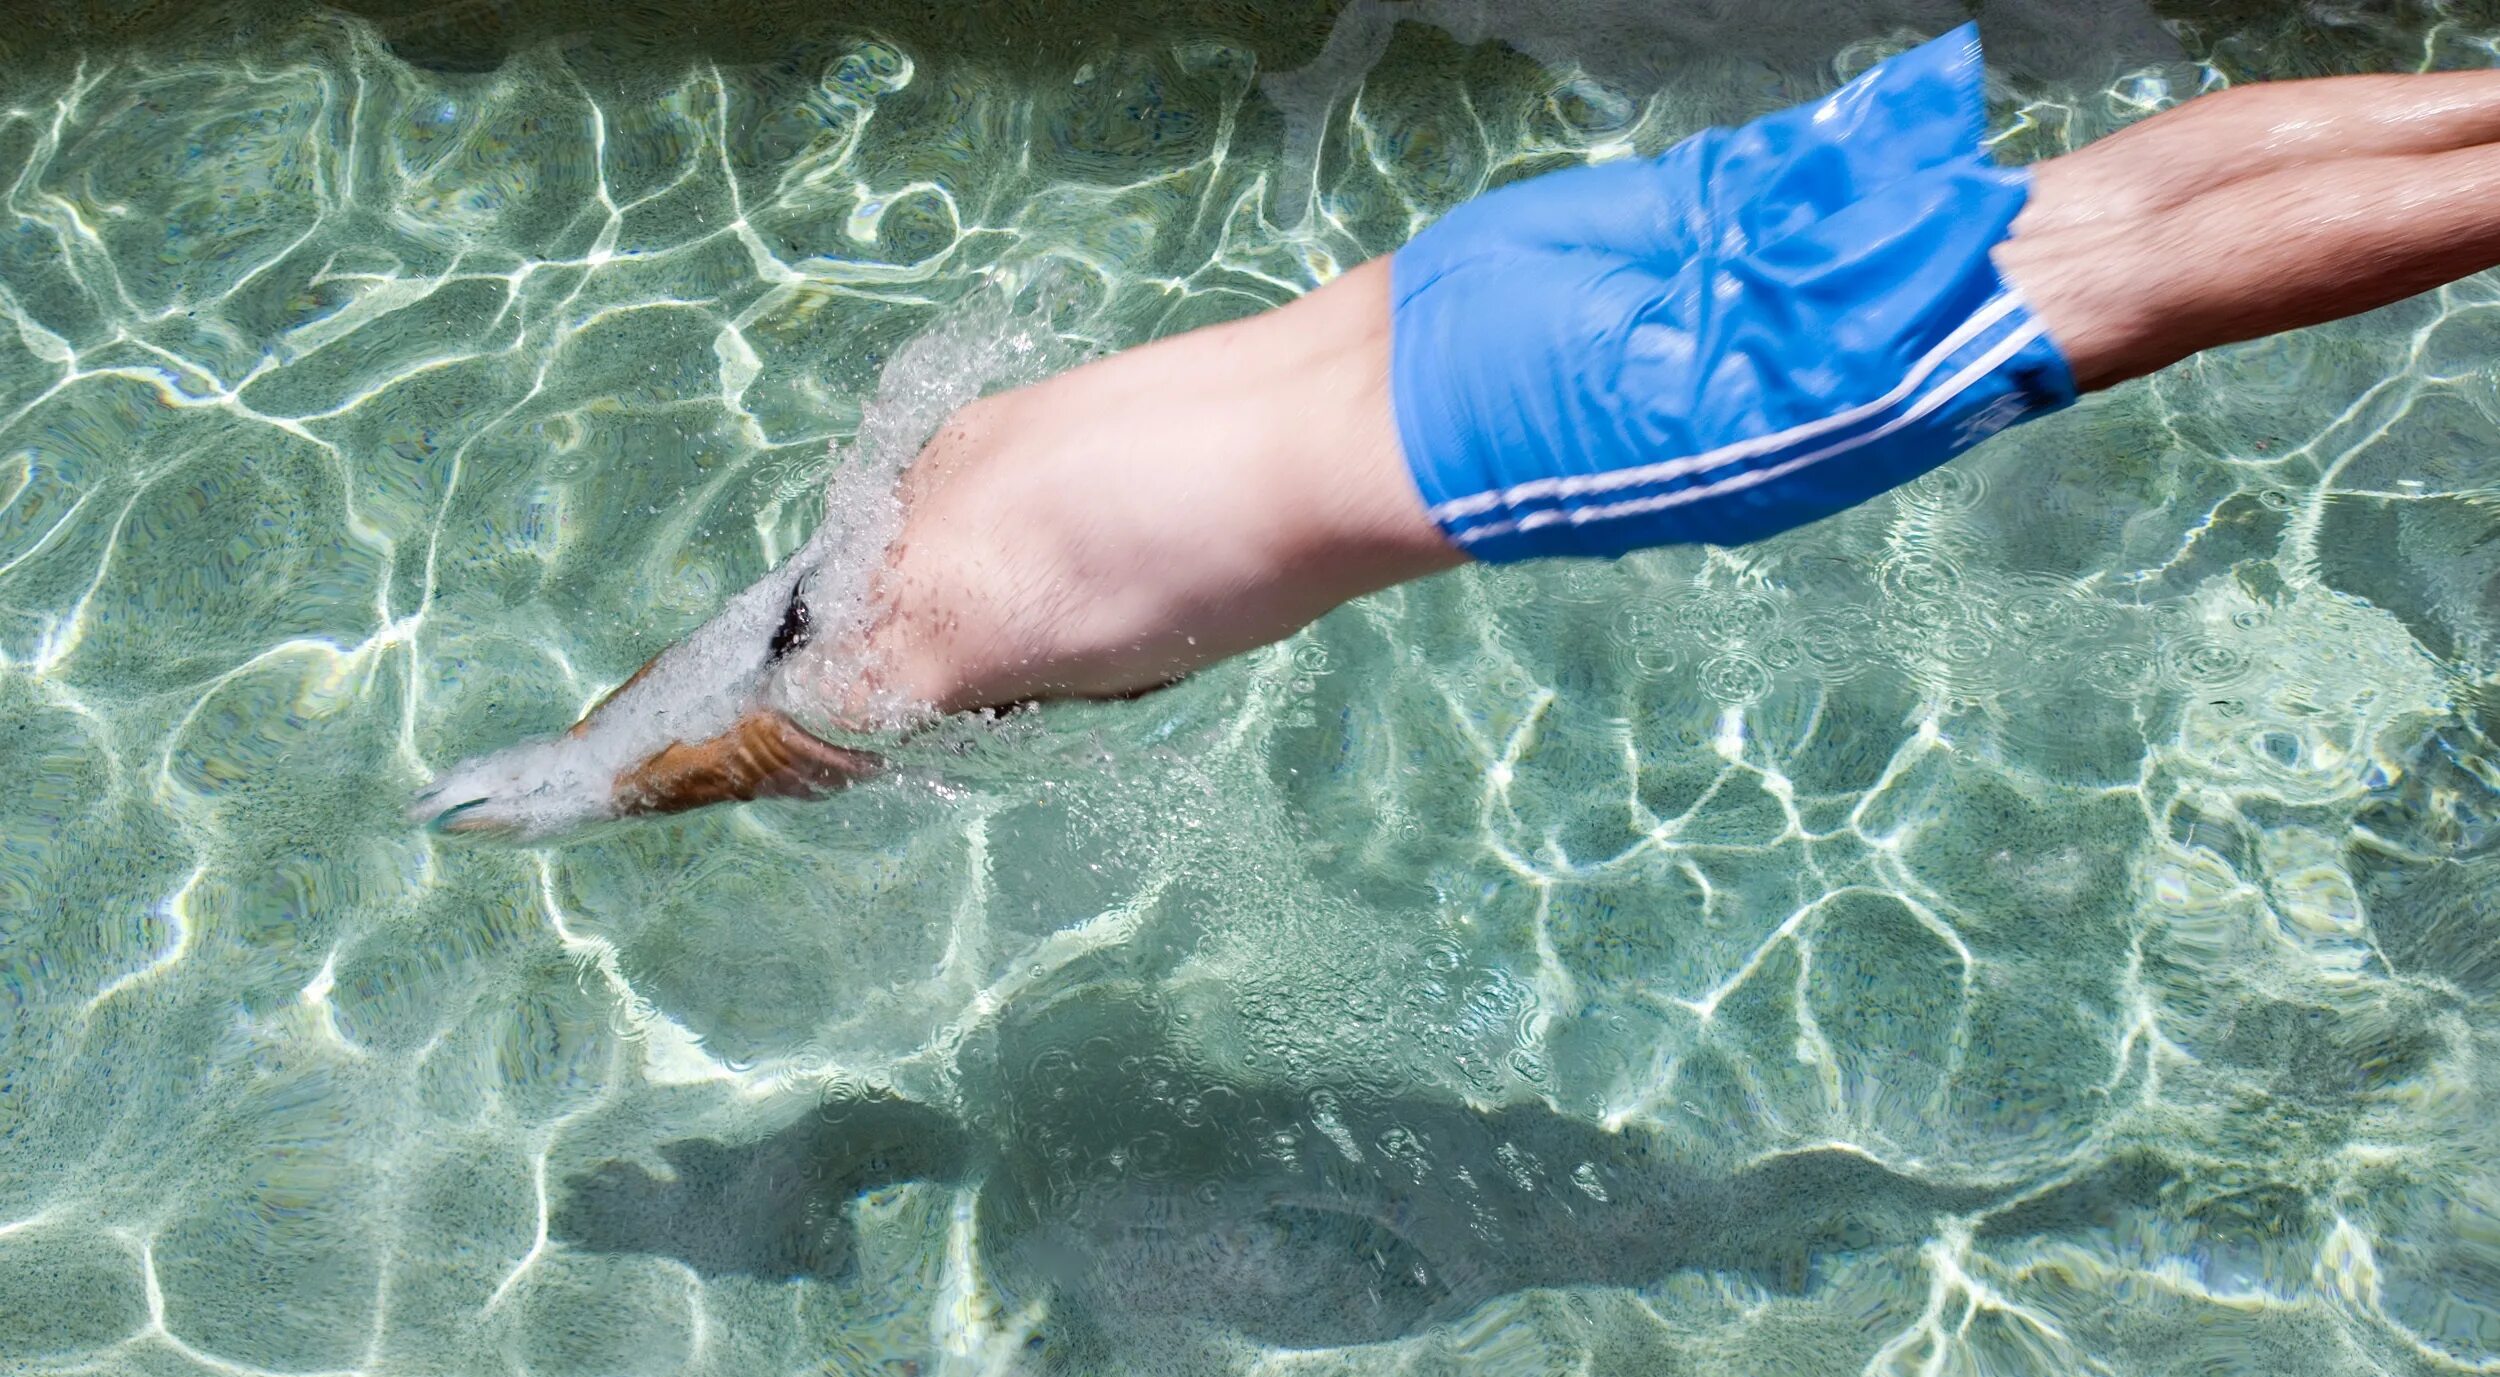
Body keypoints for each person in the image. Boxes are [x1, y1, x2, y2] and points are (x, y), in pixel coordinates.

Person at [411, 25, 2500, 833]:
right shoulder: (908, 485)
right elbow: (709, 671)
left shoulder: (890, 665)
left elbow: (719, 739)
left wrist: (577, 802)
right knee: (2067, 208)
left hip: (1525, 415)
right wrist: (589, 741)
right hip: (1476, 274)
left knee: (2085, 300)